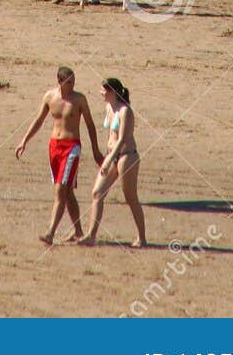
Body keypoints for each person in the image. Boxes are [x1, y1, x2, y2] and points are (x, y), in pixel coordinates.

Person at [14, 66, 102, 246]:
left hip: (72, 147)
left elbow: (90, 125)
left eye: (73, 81)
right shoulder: (49, 97)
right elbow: (39, 120)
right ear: (60, 82)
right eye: (69, 82)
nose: (72, 85)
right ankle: (78, 231)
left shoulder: (79, 99)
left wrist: (95, 150)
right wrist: (24, 140)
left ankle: (50, 232)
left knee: (60, 189)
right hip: (54, 146)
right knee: (68, 191)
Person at [78, 78, 146, 248]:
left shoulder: (125, 111)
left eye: (104, 91)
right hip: (111, 155)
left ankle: (142, 238)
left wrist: (108, 161)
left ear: (113, 92)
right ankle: (91, 235)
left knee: (131, 198)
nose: (101, 93)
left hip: (126, 156)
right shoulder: (109, 107)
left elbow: (122, 139)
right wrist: (106, 155)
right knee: (97, 193)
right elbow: (110, 135)